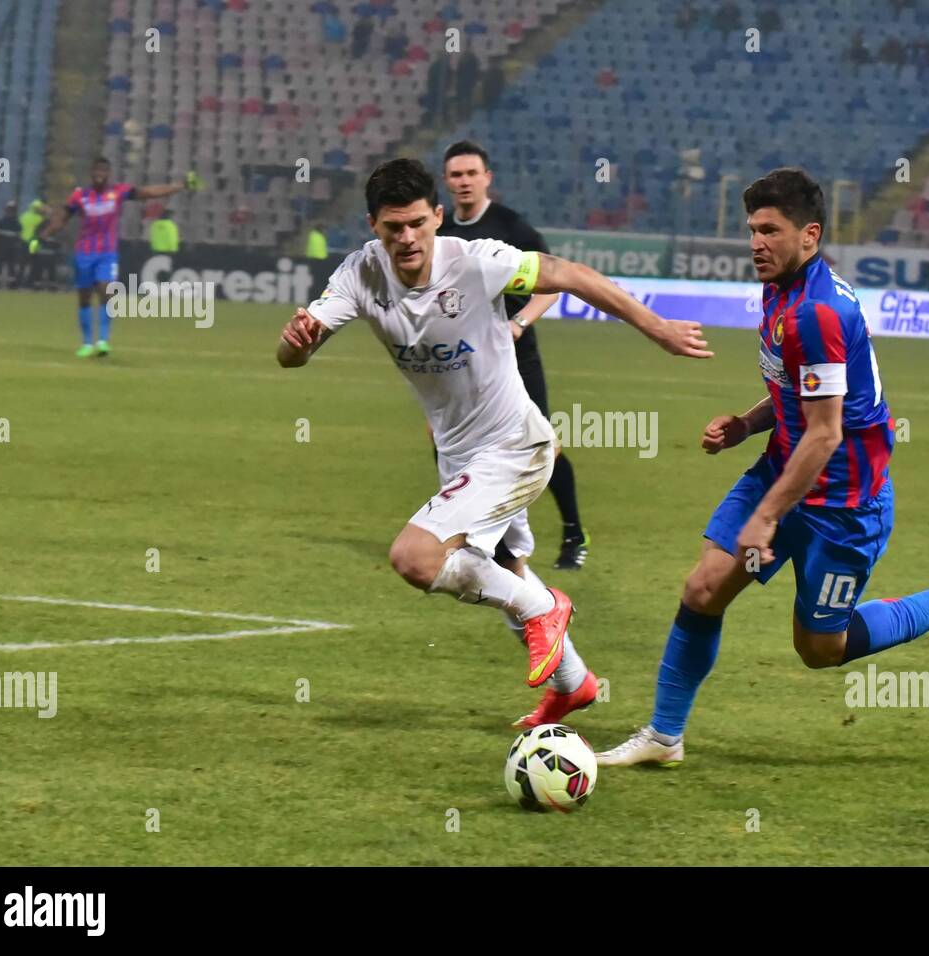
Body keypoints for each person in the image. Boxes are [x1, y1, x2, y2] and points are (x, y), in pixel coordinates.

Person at [596, 168, 929, 767]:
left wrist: (766, 519)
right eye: (752, 230)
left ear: (809, 235)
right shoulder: (782, 288)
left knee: (820, 648)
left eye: (770, 230)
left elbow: (825, 432)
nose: (756, 243)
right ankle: (664, 736)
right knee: (704, 588)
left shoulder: (818, 312)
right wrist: (745, 424)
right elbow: (798, 397)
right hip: (782, 471)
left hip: (842, 504)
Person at [274, 158, 711, 726]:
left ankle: (545, 609)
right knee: (503, 563)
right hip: (459, 454)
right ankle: (574, 684)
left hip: (516, 445)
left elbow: (571, 274)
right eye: (392, 228)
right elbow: (291, 354)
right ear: (373, 226)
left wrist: (659, 329)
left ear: (436, 218)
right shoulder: (360, 274)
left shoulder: (478, 262)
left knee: (415, 558)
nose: (406, 239)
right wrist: (298, 346)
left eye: (415, 224)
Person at [438, 140, 592, 570]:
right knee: (447, 443)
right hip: (462, 362)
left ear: (487, 178)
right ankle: (467, 538)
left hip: (517, 360)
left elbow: (555, 280)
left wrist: (519, 322)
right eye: (456, 175)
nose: (464, 182)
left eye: (472, 173)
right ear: (446, 181)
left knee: (544, 445)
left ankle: (574, 533)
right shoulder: (440, 233)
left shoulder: (512, 228)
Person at [31, 157, 200, 357]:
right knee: (84, 298)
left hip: (107, 253)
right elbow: (62, 220)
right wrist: (41, 237)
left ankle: (103, 340)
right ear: (92, 172)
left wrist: (180, 186)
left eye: (104, 170)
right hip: (84, 253)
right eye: (97, 169)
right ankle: (86, 343)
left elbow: (150, 192)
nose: (100, 173)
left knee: (106, 290)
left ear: (109, 173)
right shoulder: (80, 195)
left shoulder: (118, 191)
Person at [0, 201, 20, 287]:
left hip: (5, 249)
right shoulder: (15, 224)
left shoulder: (2, 223)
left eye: (12, 210)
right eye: (10, 210)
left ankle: (1, 285)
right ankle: (4, 285)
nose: (10, 212)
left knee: (8, 267)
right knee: (5, 267)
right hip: (5, 249)